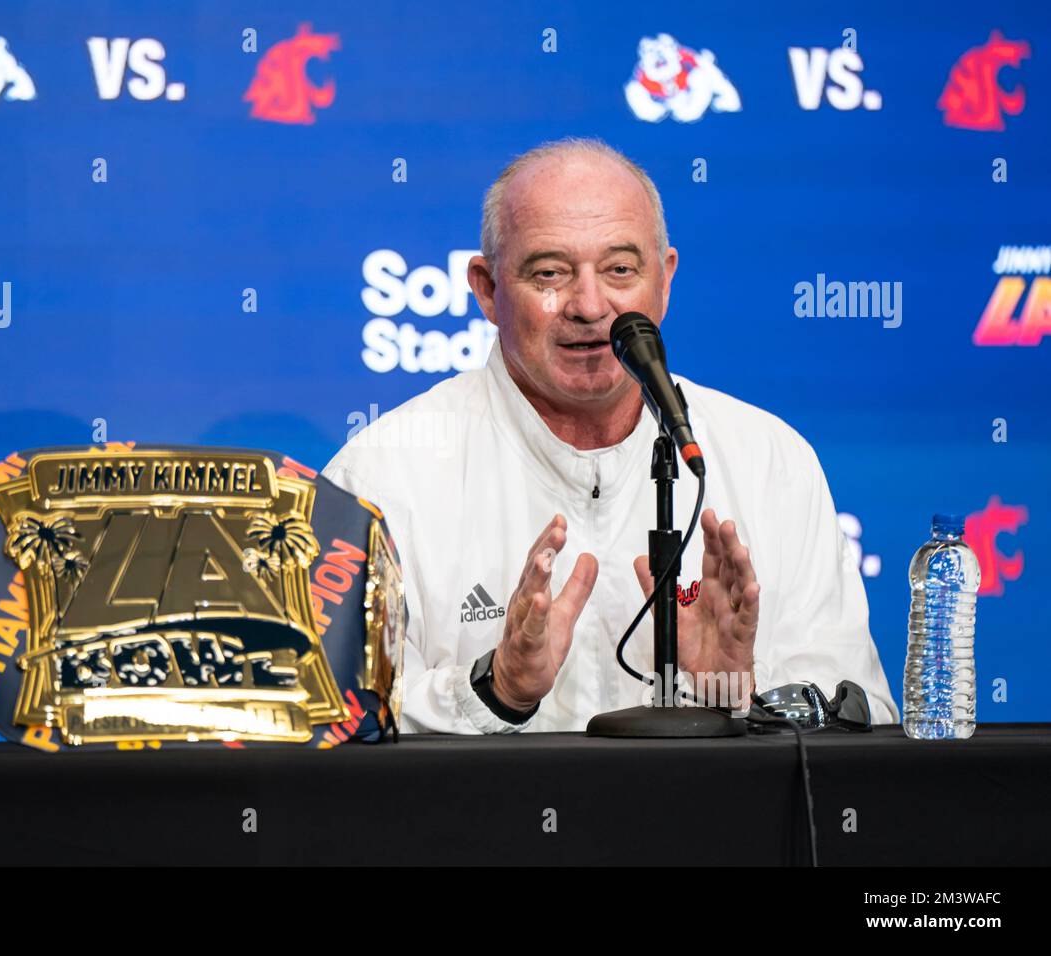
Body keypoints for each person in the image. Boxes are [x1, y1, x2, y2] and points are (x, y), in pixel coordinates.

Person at [323, 137, 898, 733]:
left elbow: (862, 715)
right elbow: (335, 729)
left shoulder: (769, 461)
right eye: (549, 273)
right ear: (488, 290)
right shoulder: (381, 479)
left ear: (665, 279)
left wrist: (733, 697)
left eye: (621, 269)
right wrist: (495, 692)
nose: (591, 305)